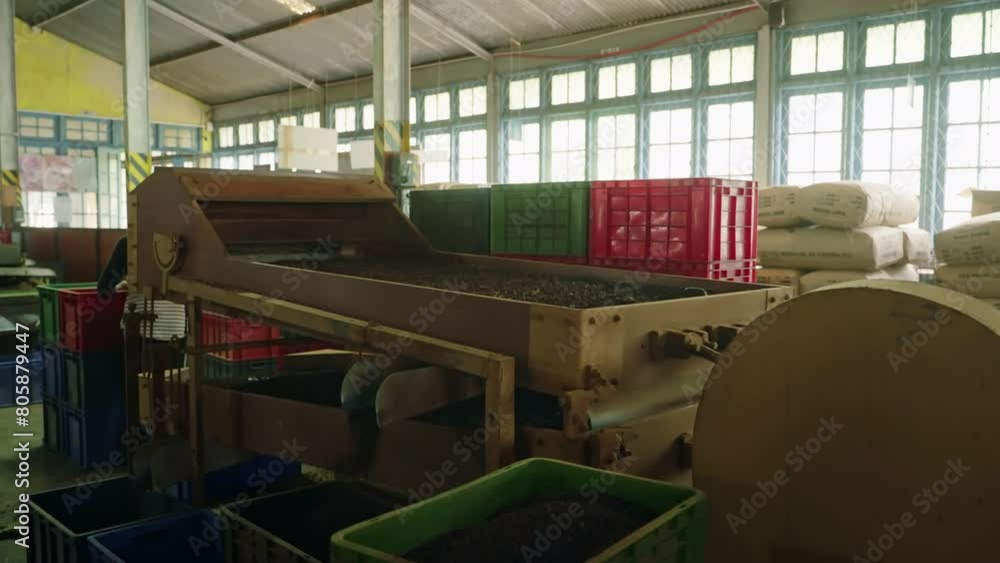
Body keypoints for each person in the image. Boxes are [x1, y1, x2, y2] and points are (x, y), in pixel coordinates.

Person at [98, 236, 187, 368]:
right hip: (175, 330)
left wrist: (123, 285)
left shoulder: (129, 243)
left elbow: (104, 289)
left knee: (140, 385)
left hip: (138, 331)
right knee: (172, 385)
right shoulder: (183, 242)